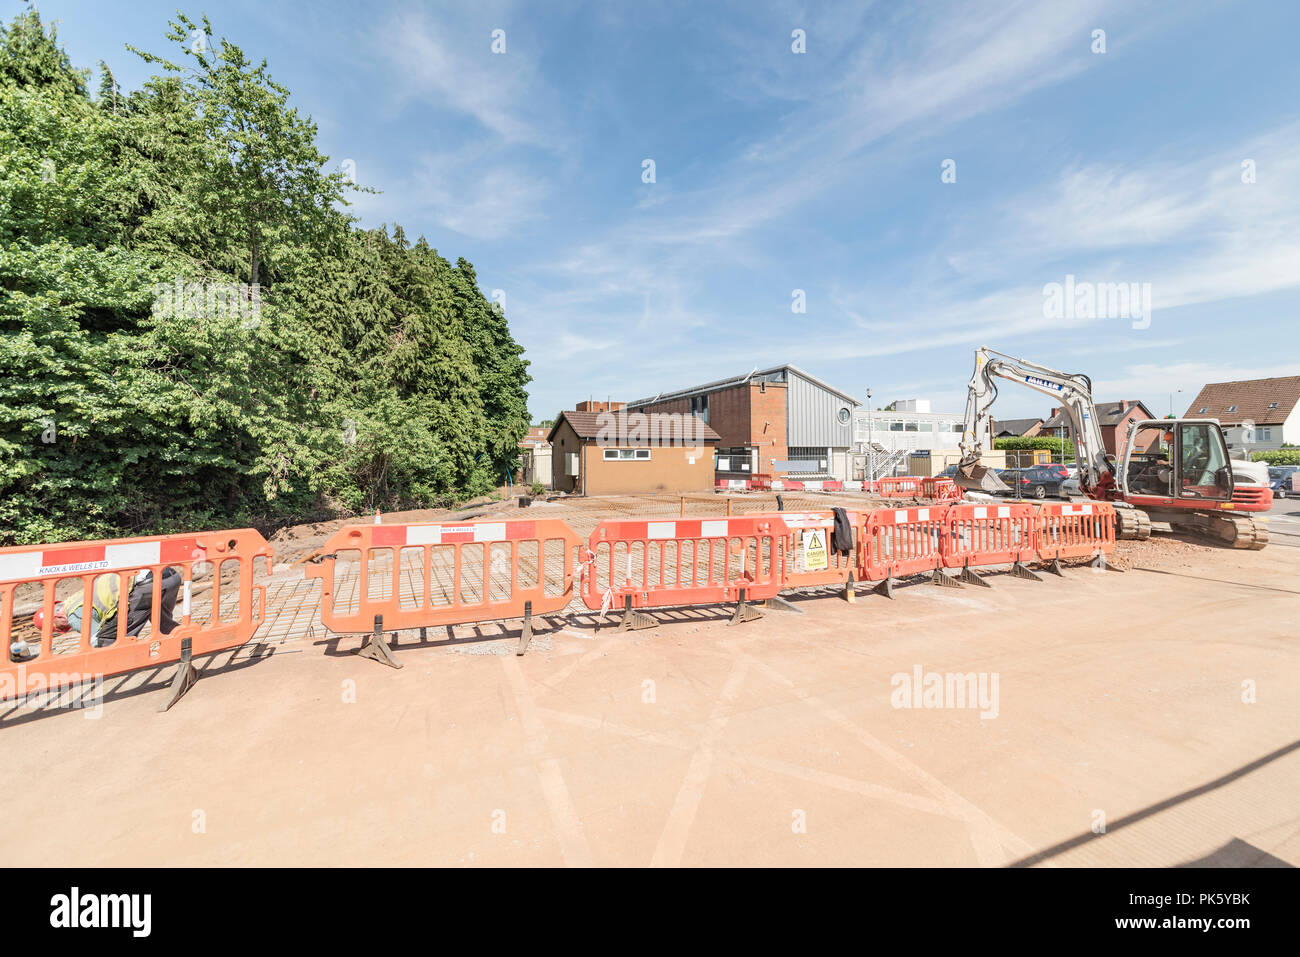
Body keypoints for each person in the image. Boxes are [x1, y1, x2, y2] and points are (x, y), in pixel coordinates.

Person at [14, 569, 182, 659]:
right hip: (170, 576)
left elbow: (96, 641)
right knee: (164, 624)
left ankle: (136, 659)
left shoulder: (73, 615)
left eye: (60, 628)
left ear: (58, 618)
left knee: (111, 639)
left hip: (148, 586)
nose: (69, 628)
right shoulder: (76, 598)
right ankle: (185, 644)